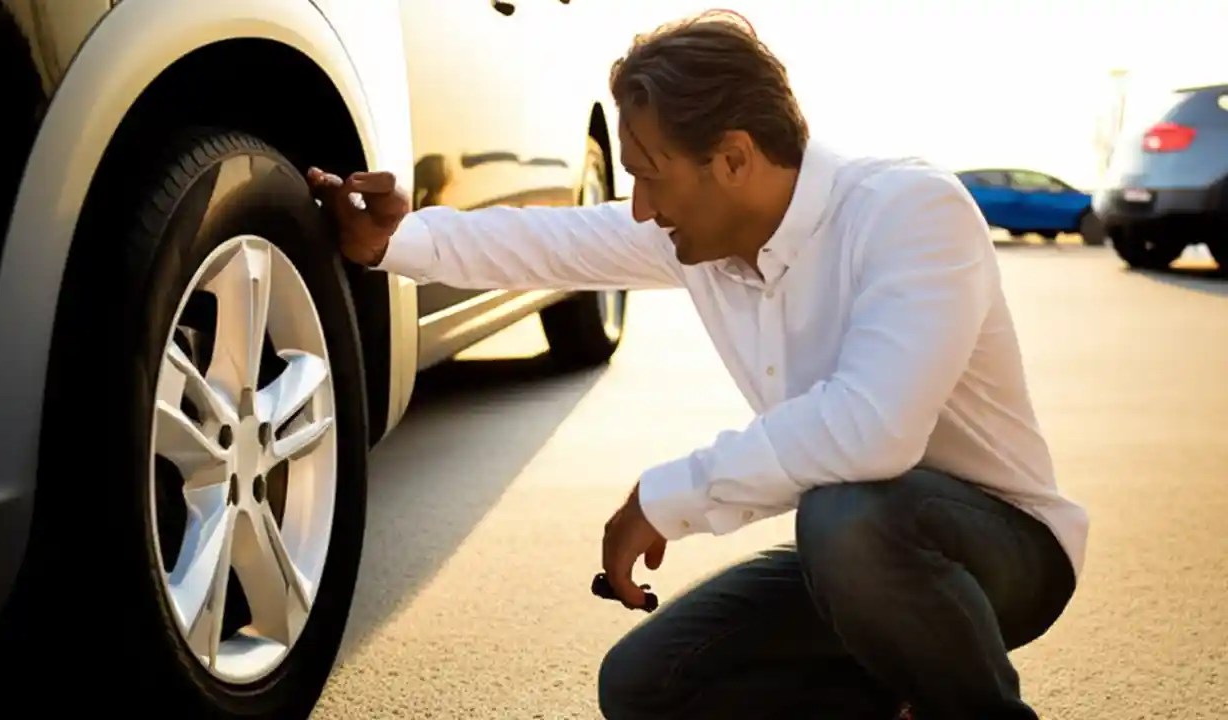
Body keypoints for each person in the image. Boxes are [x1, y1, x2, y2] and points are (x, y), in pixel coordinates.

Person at [307, 10, 1088, 720]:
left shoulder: (910, 212)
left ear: (735, 158)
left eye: (651, 172)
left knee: (844, 514)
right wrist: (391, 245)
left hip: (999, 551)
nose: (640, 205)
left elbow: (872, 431)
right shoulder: (700, 235)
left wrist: (663, 496)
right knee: (645, 684)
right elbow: (548, 242)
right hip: (854, 564)